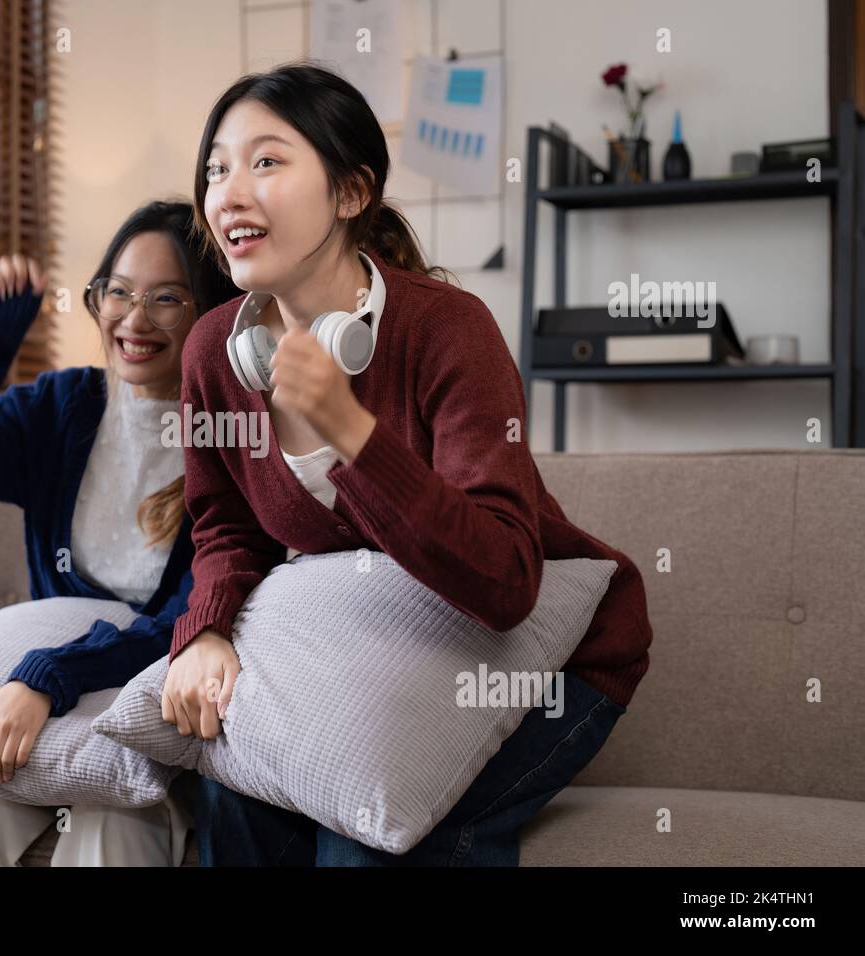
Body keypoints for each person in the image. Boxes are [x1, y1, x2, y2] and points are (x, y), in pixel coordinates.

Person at [163, 62, 654, 866]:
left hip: (551, 661)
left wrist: (353, 435)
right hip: (384, 653)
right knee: (234, 797)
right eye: (217, 169)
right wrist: (207, 630)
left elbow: (505, 583)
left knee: (371, 839)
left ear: (351, 193)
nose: (228, 194)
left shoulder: (449, 330)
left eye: (266, 161)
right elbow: (225, 527)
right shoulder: (215, 352)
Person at [0, 200, 238, 865]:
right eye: (118, 292)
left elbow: (183, 621)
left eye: (166, 299)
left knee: (115, 821)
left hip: (144, 718)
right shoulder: (57, 410)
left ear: (209, 313)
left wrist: (46, 678)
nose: (134, 319)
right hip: (49, 711)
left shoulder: (230, 441)